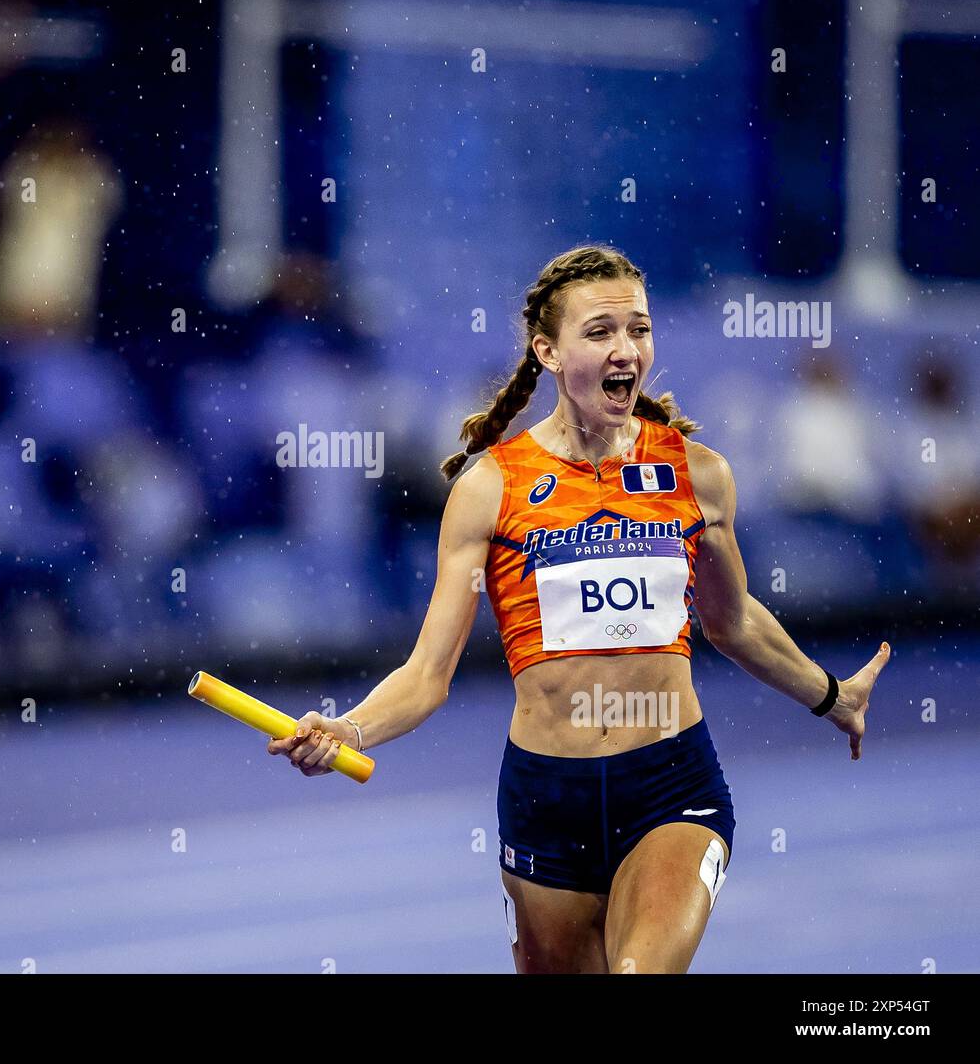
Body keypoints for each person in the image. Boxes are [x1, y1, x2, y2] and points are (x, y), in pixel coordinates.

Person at [267, 245, 890, 973]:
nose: (626, 348)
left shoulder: (699, 475)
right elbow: (427, 673)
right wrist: (348, 727)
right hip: (545, 802)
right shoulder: (490, 489)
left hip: (672, 787)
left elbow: (733, 620)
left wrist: (830, 694)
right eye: (600, 332)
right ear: (549, 353)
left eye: (639, 330)